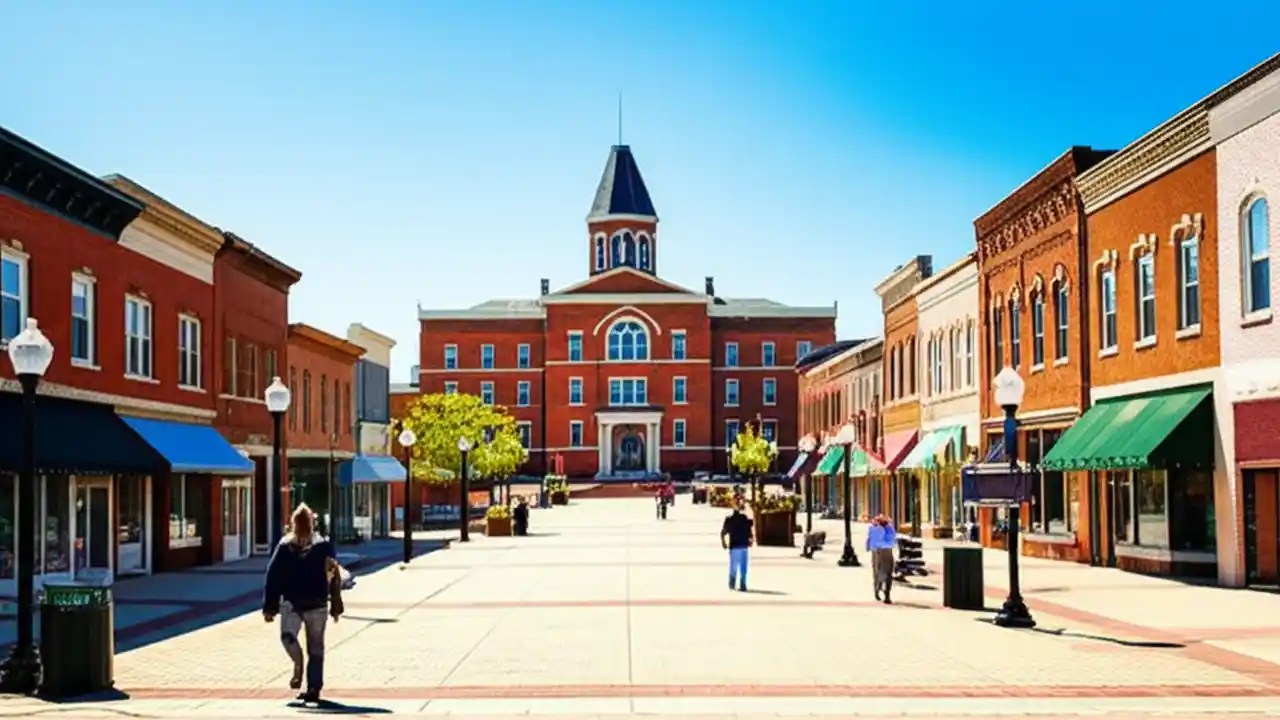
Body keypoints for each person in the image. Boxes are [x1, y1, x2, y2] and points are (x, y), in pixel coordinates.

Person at [263, 504, 344, 704]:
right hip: (317, 603)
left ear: (293, 523)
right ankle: (313, 687)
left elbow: (273, 577)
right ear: (312, 523)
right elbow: (334, 577)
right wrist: (335, 604)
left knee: (287, 636)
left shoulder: (285, 546)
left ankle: (298, 663)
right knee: (316, 649)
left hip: (292, 602)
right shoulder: (324, 546)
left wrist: (270, 606)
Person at [720, 501, 754, 591]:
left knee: (734, 566)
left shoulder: (730, 519)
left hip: (735, 546)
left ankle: (732, 583)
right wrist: (751, 539)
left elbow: (723, 532)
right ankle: (742, 583)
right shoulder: (745, 519)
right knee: (743, 566)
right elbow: (750, 530)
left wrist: (723, 542)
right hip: (743, 545)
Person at [866, 513, 897, 604]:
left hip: (877, 552)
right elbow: (893, 537)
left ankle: (877, 588)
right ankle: (886, 593)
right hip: (887, 552)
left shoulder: (873, 528)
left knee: (877, 572)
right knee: (887, 573)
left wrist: (868, 546)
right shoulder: (889, 528)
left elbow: (869, 539)